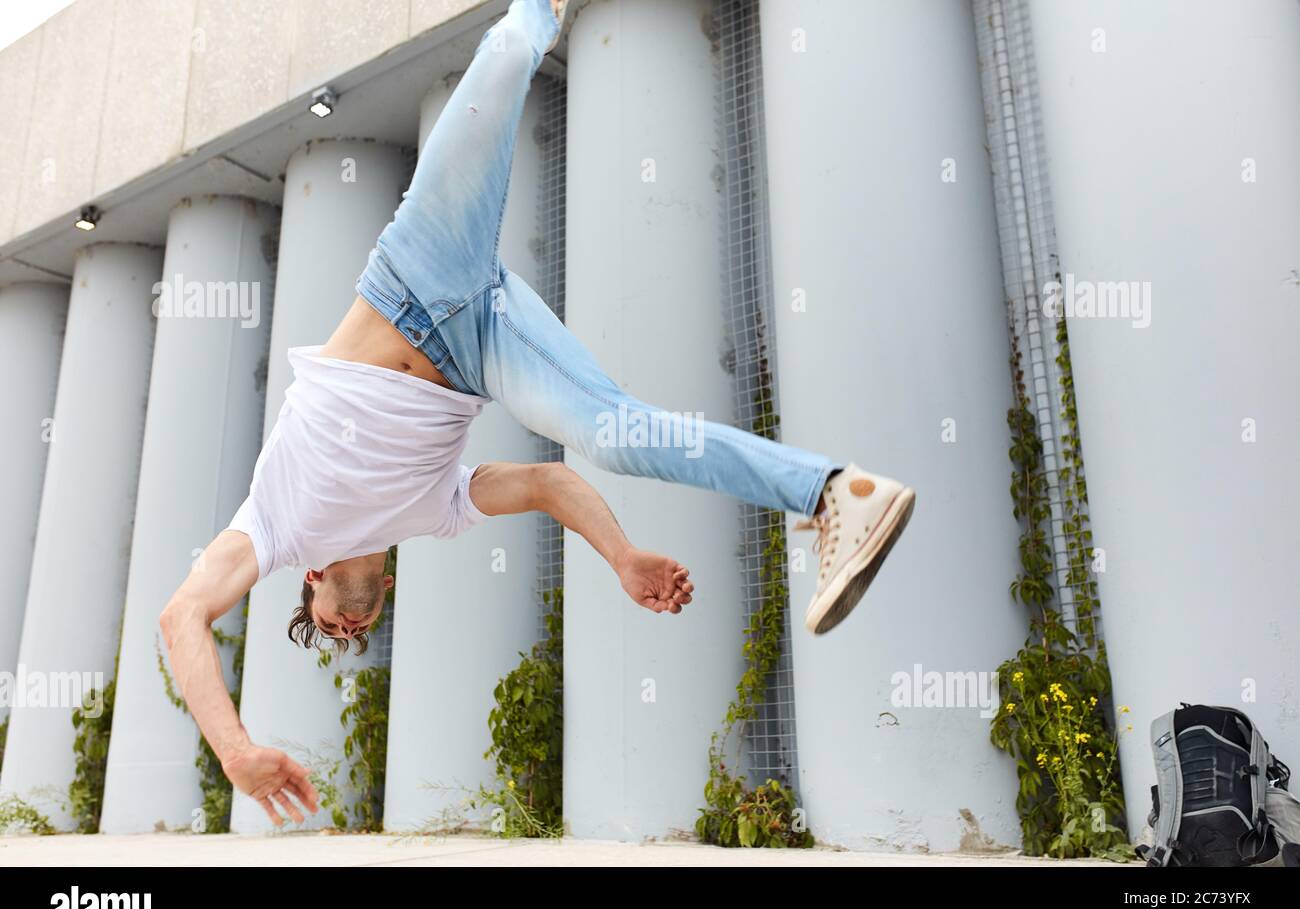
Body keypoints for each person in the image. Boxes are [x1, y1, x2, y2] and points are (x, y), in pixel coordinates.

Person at [158, 0, 914, 827]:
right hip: (486, 342)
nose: (349, 630)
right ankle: (837, 495)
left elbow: (182, 616)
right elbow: (552, 482)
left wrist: (234, 750)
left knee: (514, 45)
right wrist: (621, 557)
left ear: (311, 582)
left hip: (417, 267)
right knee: (608, 434)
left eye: (330, 626)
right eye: (352, 638)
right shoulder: (432, 513)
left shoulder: (273, 526)